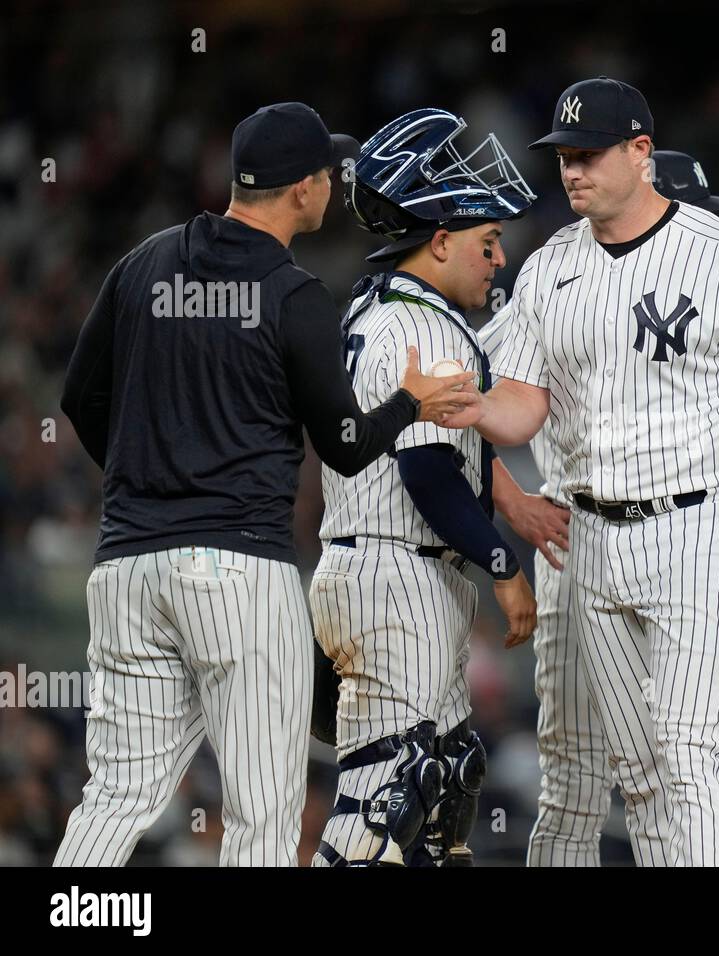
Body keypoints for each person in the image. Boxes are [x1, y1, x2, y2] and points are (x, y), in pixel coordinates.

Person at [444, 76, 719, 867]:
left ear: (641, 152)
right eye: (563, 156)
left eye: (589, 153)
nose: (572, 170)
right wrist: (466, 408)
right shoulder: (551, 263)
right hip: (592, 534)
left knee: (692, 750)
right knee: (639, 769)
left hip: (700, 523)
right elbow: (523, 406)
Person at [55, 102, 469, 866]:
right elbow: (346, 447)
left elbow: (80, 401)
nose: (334, 185)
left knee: (116, 794)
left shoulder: (143, 263)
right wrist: (411, 402)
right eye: (328, 173)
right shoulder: (291, 292)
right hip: (237, 574)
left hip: (125, 567)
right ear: (303, 189)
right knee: (263, 813)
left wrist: (148, 478)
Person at [476, 146, 719, 866]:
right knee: (576, 769)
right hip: (574, 531)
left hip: (683, 536)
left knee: (686, 759)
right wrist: (513, 503)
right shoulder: (565, 273)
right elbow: (466, 403)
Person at [309, 108, 538, 867]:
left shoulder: (378, 304)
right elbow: (428, 468)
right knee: (386, 798)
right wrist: (503, 566)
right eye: (486, 242)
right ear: (438, 241)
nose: (498, 258)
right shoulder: (423, 327)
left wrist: (505, 504)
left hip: (385, 569)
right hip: (394, 573)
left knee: (441, 790)